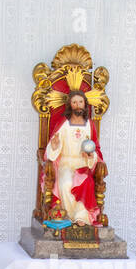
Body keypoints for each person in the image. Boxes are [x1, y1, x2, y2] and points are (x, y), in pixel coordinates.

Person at [43, 90, 102, 224]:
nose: (78, 105)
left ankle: (80, 216)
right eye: (74, 102)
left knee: (86, 182)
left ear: (85, 104)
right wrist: (54, 145)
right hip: (66, 164)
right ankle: (68, 216)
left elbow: (96, 147)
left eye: (80, 102)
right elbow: (53, 148)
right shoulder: (63, 124)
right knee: (65, 184)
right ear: (70, 105)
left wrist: (90, 155)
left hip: (83, 164)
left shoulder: (90, 124)